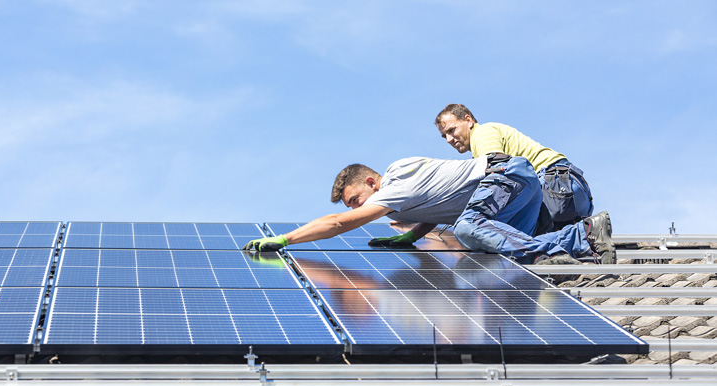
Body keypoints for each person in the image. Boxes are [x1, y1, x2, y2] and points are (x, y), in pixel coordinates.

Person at [242, 155, 615, 265]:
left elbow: (339, 223)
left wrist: (287, 239)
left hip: (506, 176)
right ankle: (586, 241)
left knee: (468, 229)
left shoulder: (394, 182)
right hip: (510, 188)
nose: (360, 208)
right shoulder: (407, 187)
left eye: (357, 198)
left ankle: (578, 236)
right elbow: (440, 202)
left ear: (372, 183)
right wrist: (411, 236)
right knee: (497, 254)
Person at [435, 104, 594, 232]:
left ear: (468, 120)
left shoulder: (482, 133)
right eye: (444, 136)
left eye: (451, 130)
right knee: (557, 246)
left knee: (497, 231)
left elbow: (496, 172)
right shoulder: (484, 139)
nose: (449, 139)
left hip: (555, 185)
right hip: (573, 191)